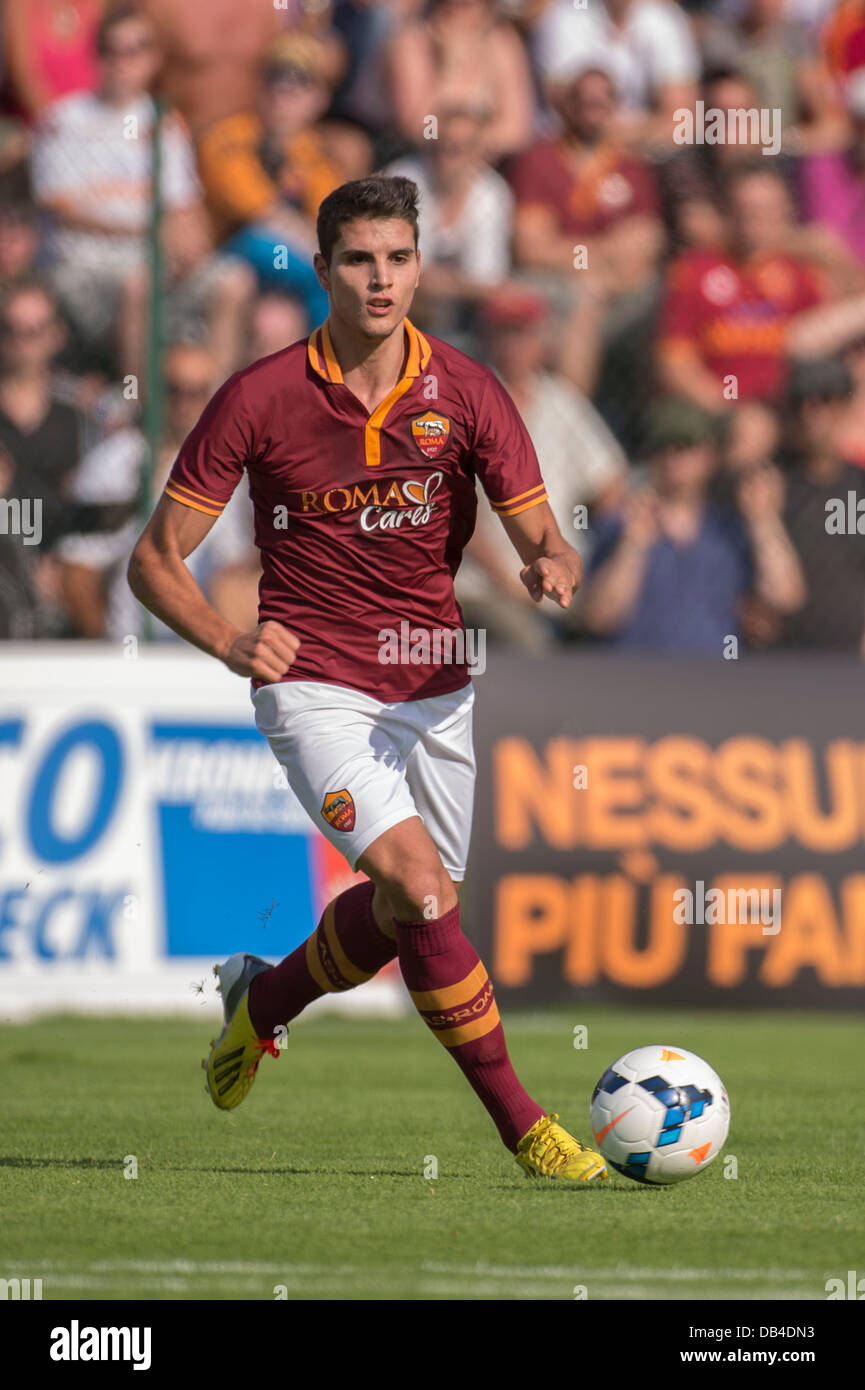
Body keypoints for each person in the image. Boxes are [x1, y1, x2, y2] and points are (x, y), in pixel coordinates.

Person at [127, 173, 608, 1182]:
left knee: (405, 917)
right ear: (323, 271)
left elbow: (537, 527)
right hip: (314, 686)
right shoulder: (259, 395)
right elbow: (154, 559)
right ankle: (527, 1129)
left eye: (397, 258)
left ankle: (259, 1004)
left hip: (434, 685)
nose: (380, 279)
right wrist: (227, 640)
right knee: (424, 893)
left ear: (420, 267)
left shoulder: (469, 391)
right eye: (358, 260)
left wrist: (549, 560)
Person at [582, 396, 805, 649]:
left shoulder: (728, 529)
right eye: (664, 446)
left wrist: (764, 522)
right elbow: (598, 618)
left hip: (712, 678)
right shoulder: (619, 524)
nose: (674, 458)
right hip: (635, 675)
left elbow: (785, 597)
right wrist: (632, 546)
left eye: (687, 445)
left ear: (711, 455)